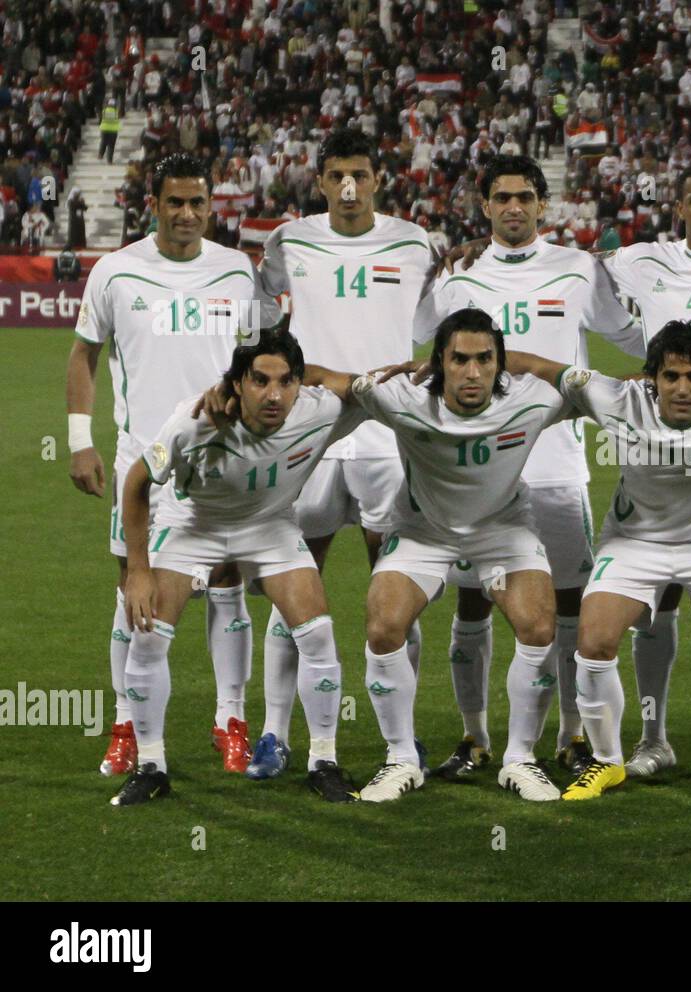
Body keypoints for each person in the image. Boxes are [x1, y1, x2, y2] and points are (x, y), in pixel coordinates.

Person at [446, 158, 691, 782]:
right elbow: (554, 263)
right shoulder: (638, 260)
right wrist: (483, 250)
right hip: (653, 442)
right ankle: (653, 736)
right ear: (680, 208)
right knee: (658, 605)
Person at [418, 156, 644, 781]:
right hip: (480, 471)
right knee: (472, 605)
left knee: (569, 604)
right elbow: (426, 355)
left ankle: (572, 734)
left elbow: (633, 339)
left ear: (544, 205)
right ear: (484, 206)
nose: (514, 207)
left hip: (556, 465)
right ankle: (473, 737)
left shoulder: (577, 269)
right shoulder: (460, 279)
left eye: (525, 196)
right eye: (501, 197)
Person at [504, 322, 691, 801]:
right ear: (650, 379)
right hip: (633, 543)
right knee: (593, 642)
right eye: (671, 376)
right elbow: (533, 365)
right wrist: (432, 368)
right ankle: (606, 761)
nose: (682, 388)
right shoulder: (617, 398)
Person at [306, 308, 575, 803]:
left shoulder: (533, 399)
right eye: (459, 360)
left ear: (501, 364)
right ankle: (401, 758)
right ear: (438, 364)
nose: (472, 373)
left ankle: (520, 759)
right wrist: (238, 384)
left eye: (484, 360)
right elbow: (324, 378)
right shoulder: (398, 396)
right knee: (384, 625)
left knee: (538, 627)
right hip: (423, 530)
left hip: (503, 529)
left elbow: (615, 391)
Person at [247, 128, 436, 780]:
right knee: (293, 590)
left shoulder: (415, 243)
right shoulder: (289, 240)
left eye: (360, 173)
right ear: (320, 181)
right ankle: (274, 734)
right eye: (337, 176)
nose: (349, 187)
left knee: (397, 593)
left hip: (389, 441)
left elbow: (441, 326)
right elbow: (258, 310)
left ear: (378, 178)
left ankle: (402, 742)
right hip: (313, 440)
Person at [66, 153, 261, 780]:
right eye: (174, 202)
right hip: (141, 466)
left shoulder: (236, 271)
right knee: (134, 595)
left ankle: (230, 721)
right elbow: (83, 355)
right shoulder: (117, 272)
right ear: (154, 204)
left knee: (227, 587)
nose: (186, 214)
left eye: (197, 203)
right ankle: (126, 723)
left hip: (223, 463)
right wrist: (78, 440)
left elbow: (257, 367)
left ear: (211, 206)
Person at [113, 327, 365, 806]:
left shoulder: (319, 411)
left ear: (299, 383)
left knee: (318, 635)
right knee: (146, 638)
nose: (274, 395)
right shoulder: (191, 421)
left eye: (286, 382)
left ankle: (324, 761)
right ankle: (151, 766)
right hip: (193, 525)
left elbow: (364, 388)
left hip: (269, 527)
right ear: (237, 382)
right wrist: (139, 571)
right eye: (260, 381)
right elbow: (138, 481)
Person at [99, 100, 121, 164]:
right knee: (111, 146)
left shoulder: (104, 111)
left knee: (103, 142)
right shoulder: (116, 112)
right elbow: (119, 117)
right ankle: (109, 161)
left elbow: (101, 117)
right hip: (113, 131)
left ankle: (100, 155)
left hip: (104, 129)